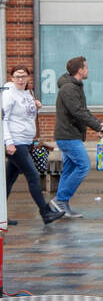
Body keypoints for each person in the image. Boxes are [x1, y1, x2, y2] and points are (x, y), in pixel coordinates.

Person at [2, 65, 64, 224]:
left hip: (26, 142)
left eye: (23, 76)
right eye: (17, 76)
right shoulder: (8, 95)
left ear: (29, 77)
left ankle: (0, 216)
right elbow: (4, 120)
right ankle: (46, 213)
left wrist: (36, 105)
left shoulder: (28, 93)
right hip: (16, 143)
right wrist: (8, 142)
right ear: (11, 77)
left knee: (7, 182)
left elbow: (27, 116)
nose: (20, 79)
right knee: (34, 176)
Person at [51, 56, 103, 219]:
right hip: (67, 136)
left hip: (69, 134)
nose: (88, 70)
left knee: (69, 169)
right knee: (83, 166)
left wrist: (98, 125)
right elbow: (78, 112)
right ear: (80, 70)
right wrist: (98, 125)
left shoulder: (74, 86)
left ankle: (61, 206)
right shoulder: (69, 88)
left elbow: (82, 110)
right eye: (86, 67)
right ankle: (61, 199)